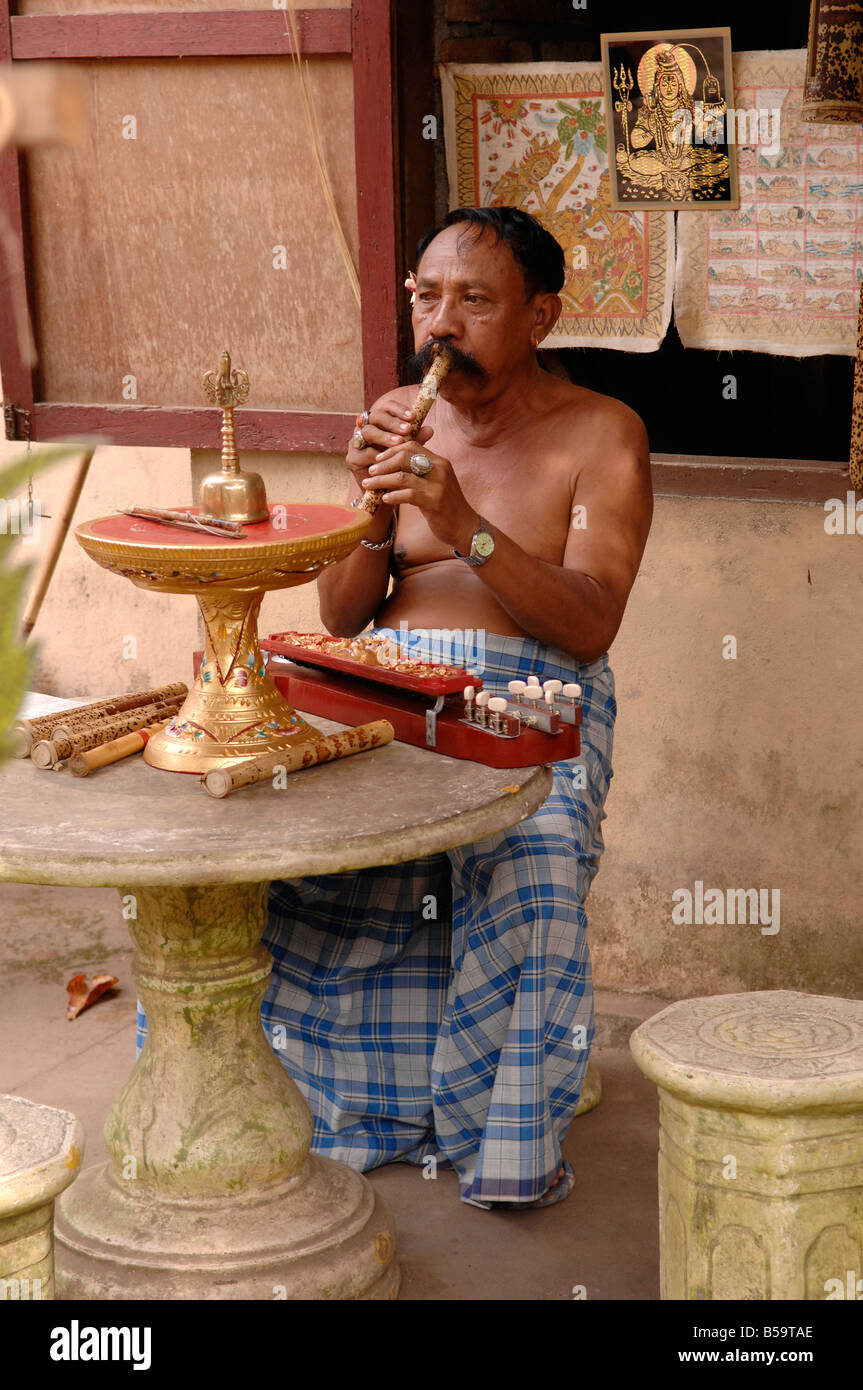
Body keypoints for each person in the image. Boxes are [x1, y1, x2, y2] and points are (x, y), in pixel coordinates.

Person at [265, 207, 652, 1208]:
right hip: (386, 678)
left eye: (475, 300)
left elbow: (590, 621)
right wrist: (371, 511)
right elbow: (345, 615)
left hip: (532, 684)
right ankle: (360, 1105)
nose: (443, 321)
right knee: (281, 828)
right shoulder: (401, 408)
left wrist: (461, 525)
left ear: (538, 316)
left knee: (536, 853)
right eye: (427, 295)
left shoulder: (601, 432)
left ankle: (502, 1138)